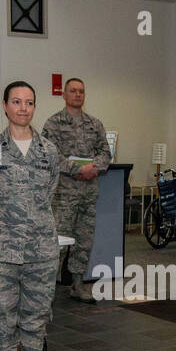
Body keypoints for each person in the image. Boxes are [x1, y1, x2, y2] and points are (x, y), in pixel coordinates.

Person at [0, 80, 63, 351]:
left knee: (36, 315)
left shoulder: (49, 151)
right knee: (1, 315)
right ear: (5, 106)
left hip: (40, 249)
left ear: (34, 107)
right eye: (16, 101)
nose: (23, 108)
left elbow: (49, 193)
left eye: (29, 102)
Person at [43, 78, 110, 302]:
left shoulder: (94, 124)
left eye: (81, 91)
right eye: (73, 91)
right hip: (64, 195)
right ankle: (46, 290)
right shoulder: (54, 123)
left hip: (88, 194)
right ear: (64, 95)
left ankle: (78, 285)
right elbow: (50, 155)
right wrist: (78, 170)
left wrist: (94, 169)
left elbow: (105, 152)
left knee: (84, 241)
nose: (78, 94)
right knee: (59, 243)